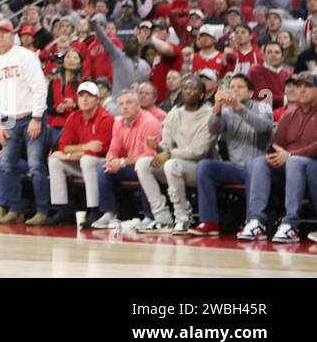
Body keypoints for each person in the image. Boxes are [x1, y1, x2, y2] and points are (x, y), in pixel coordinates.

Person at [0, 18, 51, 225]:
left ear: (13, 35)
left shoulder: (26, 56)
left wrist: (37, 117)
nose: (0, 37)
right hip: (8, 119)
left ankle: (43, 211)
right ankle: (15, 210)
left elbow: (39, 87)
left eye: (4, 33)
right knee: (6, 164)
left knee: (36, 165)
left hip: (31, 116)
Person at [236, 71, 317, 243]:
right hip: (290, 165)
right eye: (299, 86)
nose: (302, 90)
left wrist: (290, 154)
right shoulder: (289, 115)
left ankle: (290, 224)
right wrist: (273, 152)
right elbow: (277, 143)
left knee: (294, 162)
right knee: (259, 162)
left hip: (312, 165)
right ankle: (256, 221)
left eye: (308, 86)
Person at [191, 73, 273, 236]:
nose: (235, 90)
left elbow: (264, 126)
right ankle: (209, 222)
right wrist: (217, 108)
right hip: (235, 167)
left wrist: (239, 107)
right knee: (205, 166)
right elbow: (213, 130)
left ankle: (254, 222)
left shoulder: (262, 107)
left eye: (240, 87)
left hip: (258, 167)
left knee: (253, 167)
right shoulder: (227, 112)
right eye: (232, 87)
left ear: (251, 93)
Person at [134, 74, 216, 234]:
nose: (188, 92)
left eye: (193, 89)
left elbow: (199, 151)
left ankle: (183, 217)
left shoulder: (209, 114)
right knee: (143, 164)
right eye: (185, 88)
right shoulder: (175, 113)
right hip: (175, 163)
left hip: (200, 168)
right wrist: (158, 147)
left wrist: (169, 154)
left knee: (172, 165)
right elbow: (166, 145)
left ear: (202, 94)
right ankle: (162, 217)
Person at [44, 81, 114, 225]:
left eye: (89, 96)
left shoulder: (106, 118)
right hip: (82, 162)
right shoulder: (74, 117)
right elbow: (63, 146)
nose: (85, 99)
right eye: (81, 96)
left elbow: (98, 150)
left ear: (97, 100)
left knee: (87, 160)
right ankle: (62, 209)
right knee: (55, 161)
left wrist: (70, 154)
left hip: (102, 165)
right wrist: (85, 147)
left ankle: (94, 210)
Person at [92, 89, 164, 229]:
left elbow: (150, 155)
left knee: (143, 167)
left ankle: (149, 216)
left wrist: (122, 162)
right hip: (128, 165)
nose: (124, 107)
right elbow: (113, 148)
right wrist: (111, 161)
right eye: (121, 104)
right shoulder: (118, 123)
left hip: (150, 165)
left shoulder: (149, 122)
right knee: (103, 167)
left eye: (129, 102)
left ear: (138, 104)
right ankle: (109, 213)